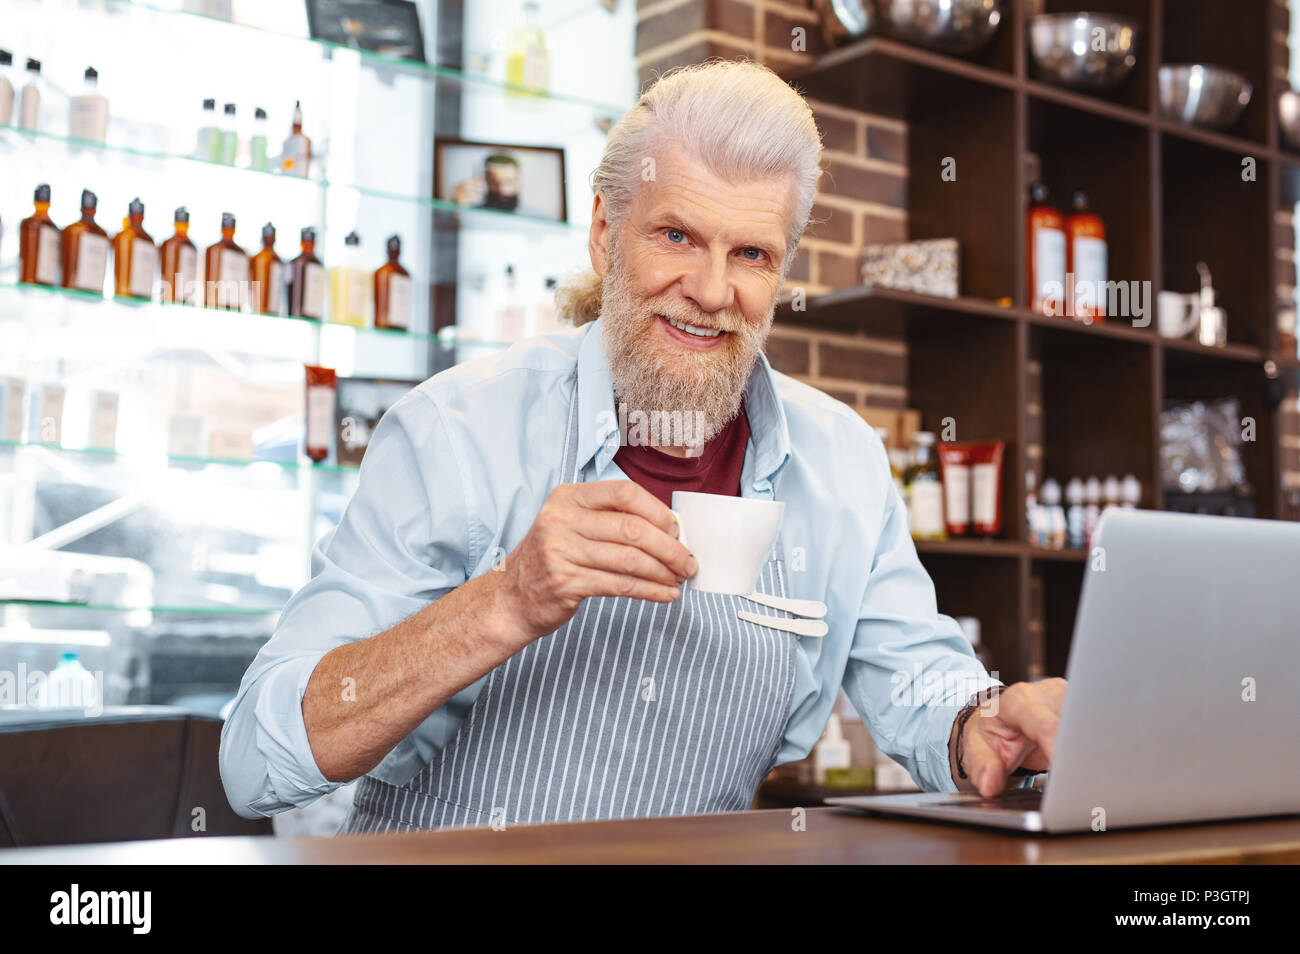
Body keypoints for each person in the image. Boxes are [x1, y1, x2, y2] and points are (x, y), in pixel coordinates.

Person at [220, 59, 1066, 832]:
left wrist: (977, 724)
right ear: (602, 234)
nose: (710, 290)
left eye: (752, 254)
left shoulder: (841, 461)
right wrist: (506, 600)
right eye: (676, 237)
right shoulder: (456, 431)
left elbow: (919, 680)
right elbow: (254, 763)